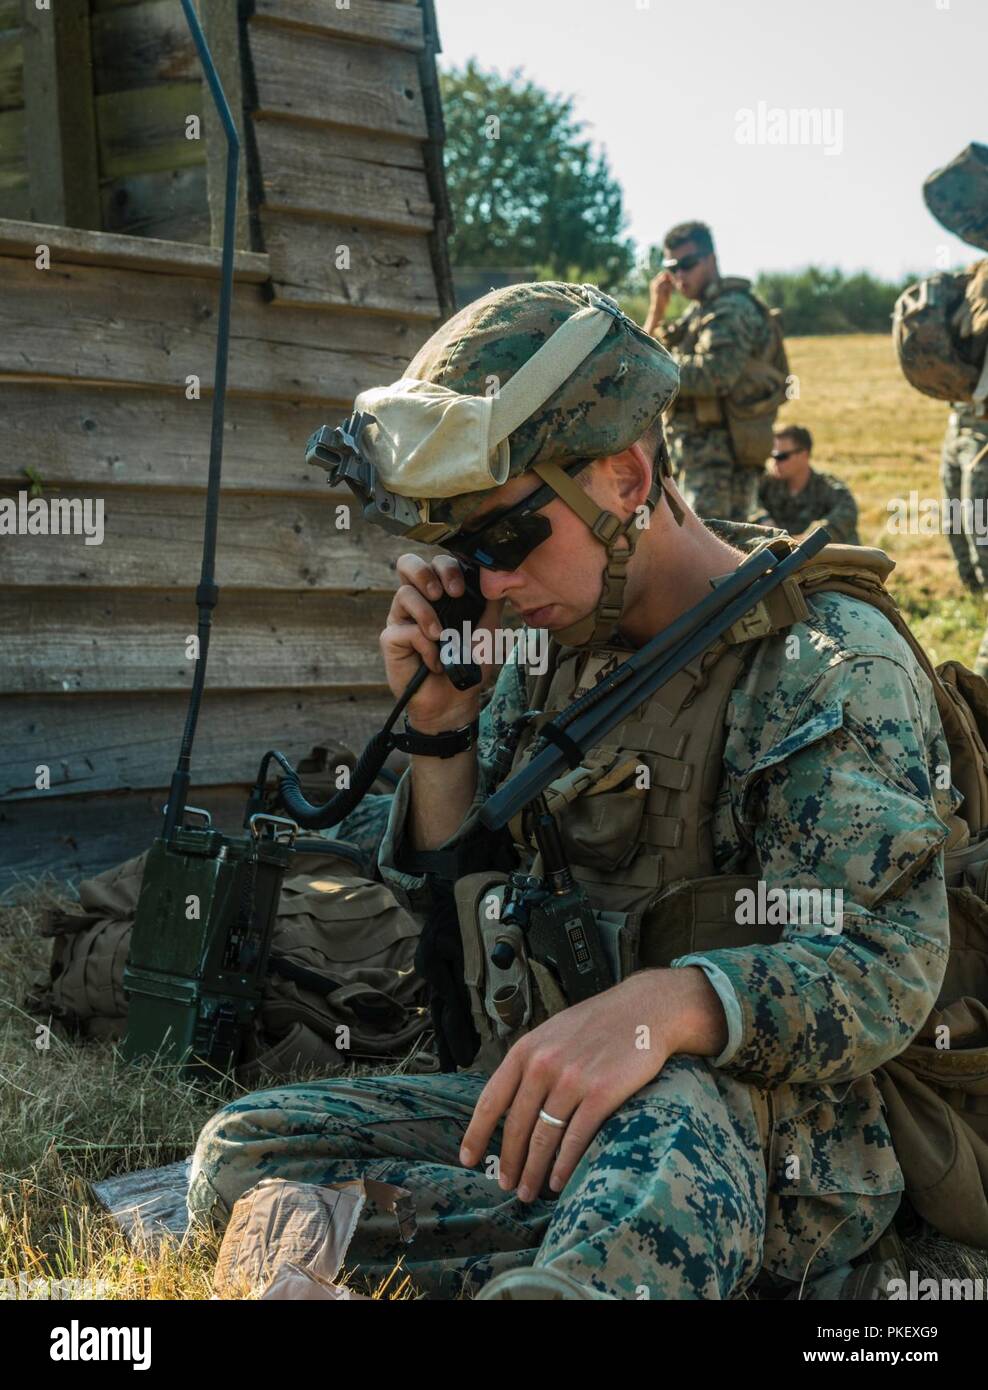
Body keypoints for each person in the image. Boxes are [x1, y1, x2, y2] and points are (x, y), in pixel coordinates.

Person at [188, 282, 953, 1301]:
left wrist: (671, 1004)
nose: (487, 586)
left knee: (670, 1117)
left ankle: (599, 1259)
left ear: (627, 476)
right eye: (461, 553)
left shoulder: (824, 665)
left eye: (503, 541)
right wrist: (441, 733)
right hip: (559, 1112)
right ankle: (605, 1256)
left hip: (759, 1127)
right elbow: (468, 958)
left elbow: (881, 963)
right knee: (239, 1158)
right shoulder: (546, 663)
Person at [643, 221, 780, 522]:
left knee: (718, 558)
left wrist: (657, 363)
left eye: (688, 264)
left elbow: (716, 374)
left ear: (712, 261)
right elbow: (643, 362)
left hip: (721, 463)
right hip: (698, 459)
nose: (680, 275)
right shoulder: (700, 311)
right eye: (672, 266)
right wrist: (656, 311)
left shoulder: (730, 308)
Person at [753, 425, 860, 544]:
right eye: (772, 456)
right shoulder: (767, 483)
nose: (775, 462)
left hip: (820, 557)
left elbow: (847, 514)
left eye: (782, 457)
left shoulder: (827, 486)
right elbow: (747, 502)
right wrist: (763, 519)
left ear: (803, 455)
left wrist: (809, 538)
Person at [940, 401, 988, 602]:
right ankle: (974, 593)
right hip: (955, 428)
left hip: (982, 432)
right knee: (952, 520)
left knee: (976, 521)